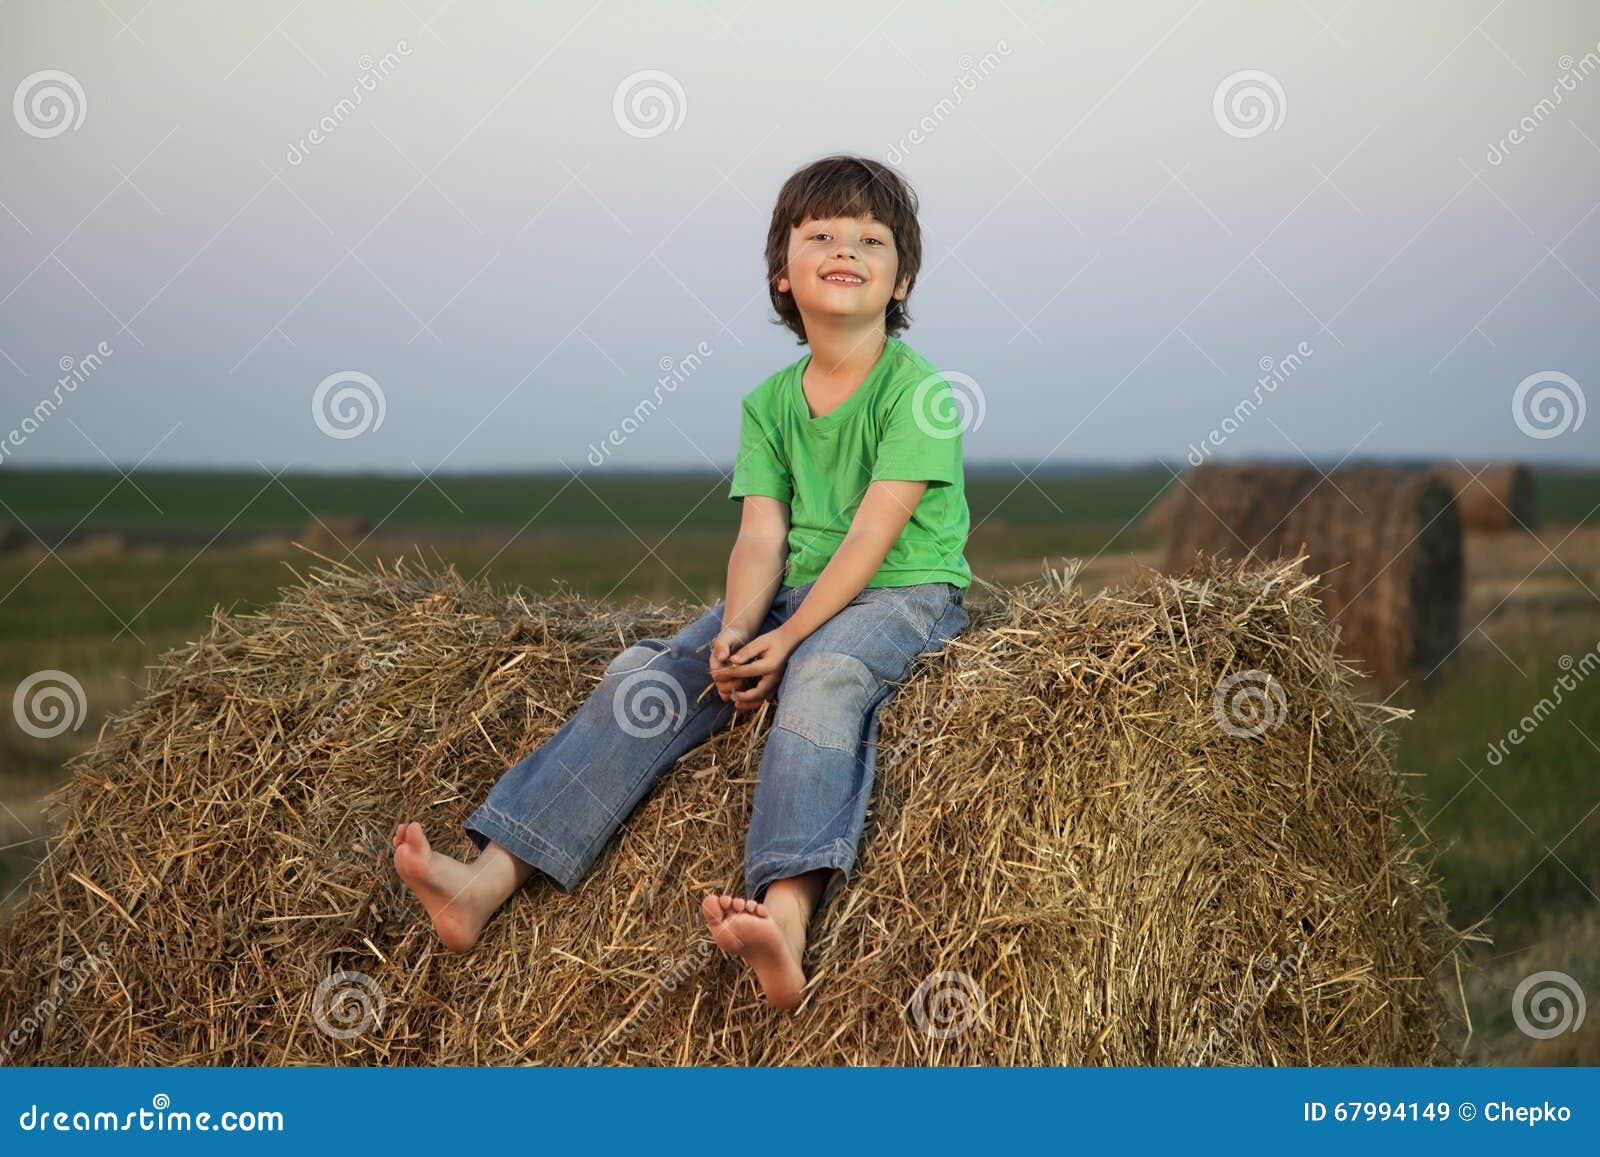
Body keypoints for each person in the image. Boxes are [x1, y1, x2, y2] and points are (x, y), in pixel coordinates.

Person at [393, 153, 972, 1010]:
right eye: (820, 234)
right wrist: (739, 632)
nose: (844, 248)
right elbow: (760, 535)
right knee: (648, 678)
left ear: (903, 277)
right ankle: (485, 879)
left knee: (821, 678)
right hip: (787, 595)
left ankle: (785, 919)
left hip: (904, 592)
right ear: (784, 271)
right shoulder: (768, 404)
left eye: (870, 238)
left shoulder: (918, 393)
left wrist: (788, 638)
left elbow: (871, 536)